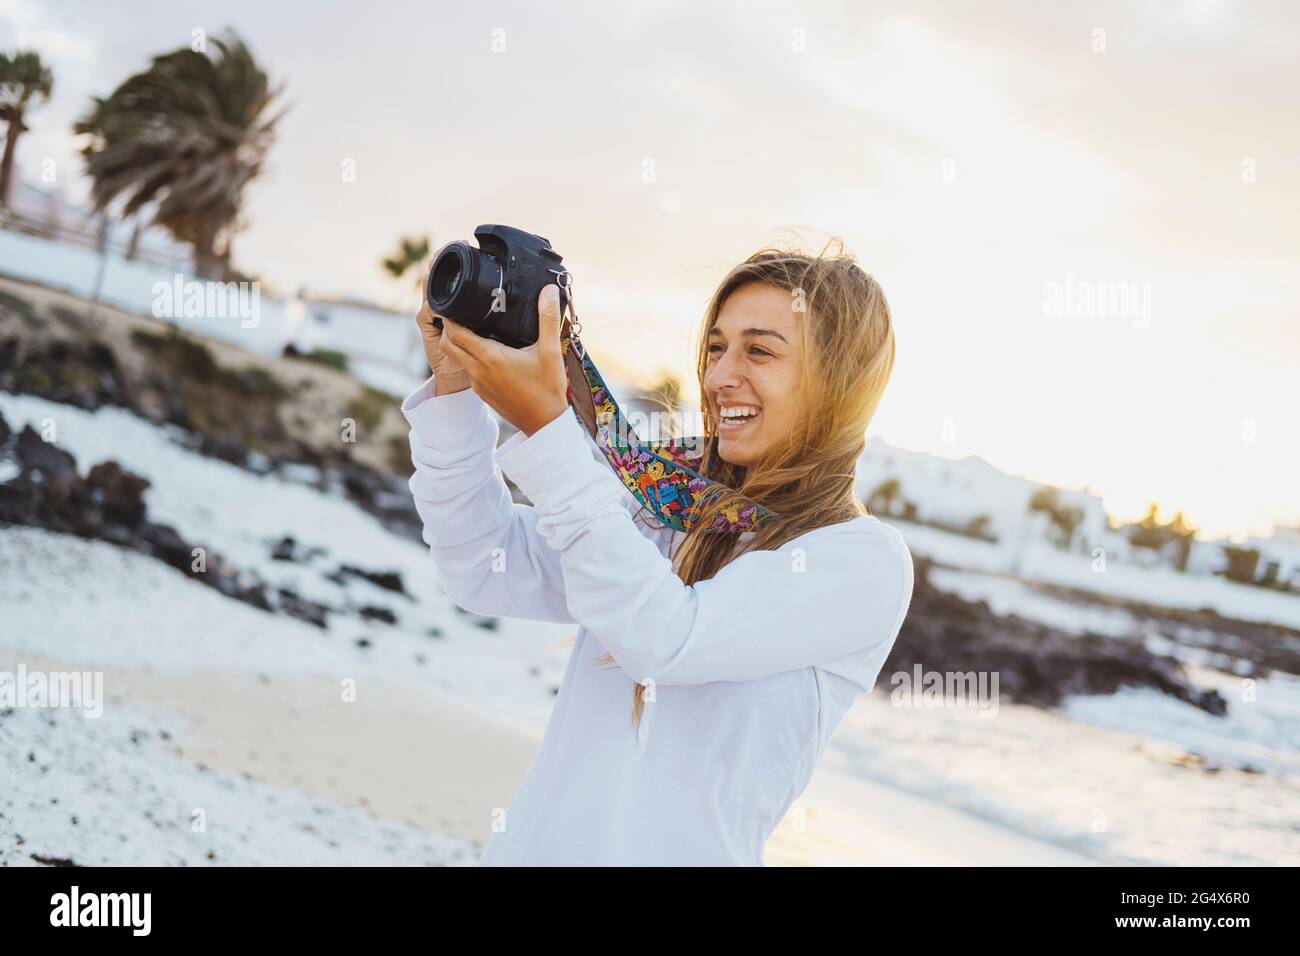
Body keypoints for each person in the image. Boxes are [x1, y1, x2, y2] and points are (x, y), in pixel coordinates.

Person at [400, 242, 914, 866]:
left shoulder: (860, 561)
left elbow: (666, 638)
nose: (722, 375)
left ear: (841, 383)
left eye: (760, 350)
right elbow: (484, 566)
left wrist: (547, 429)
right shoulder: (672, 509)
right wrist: (455, 392)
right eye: (717, 347)